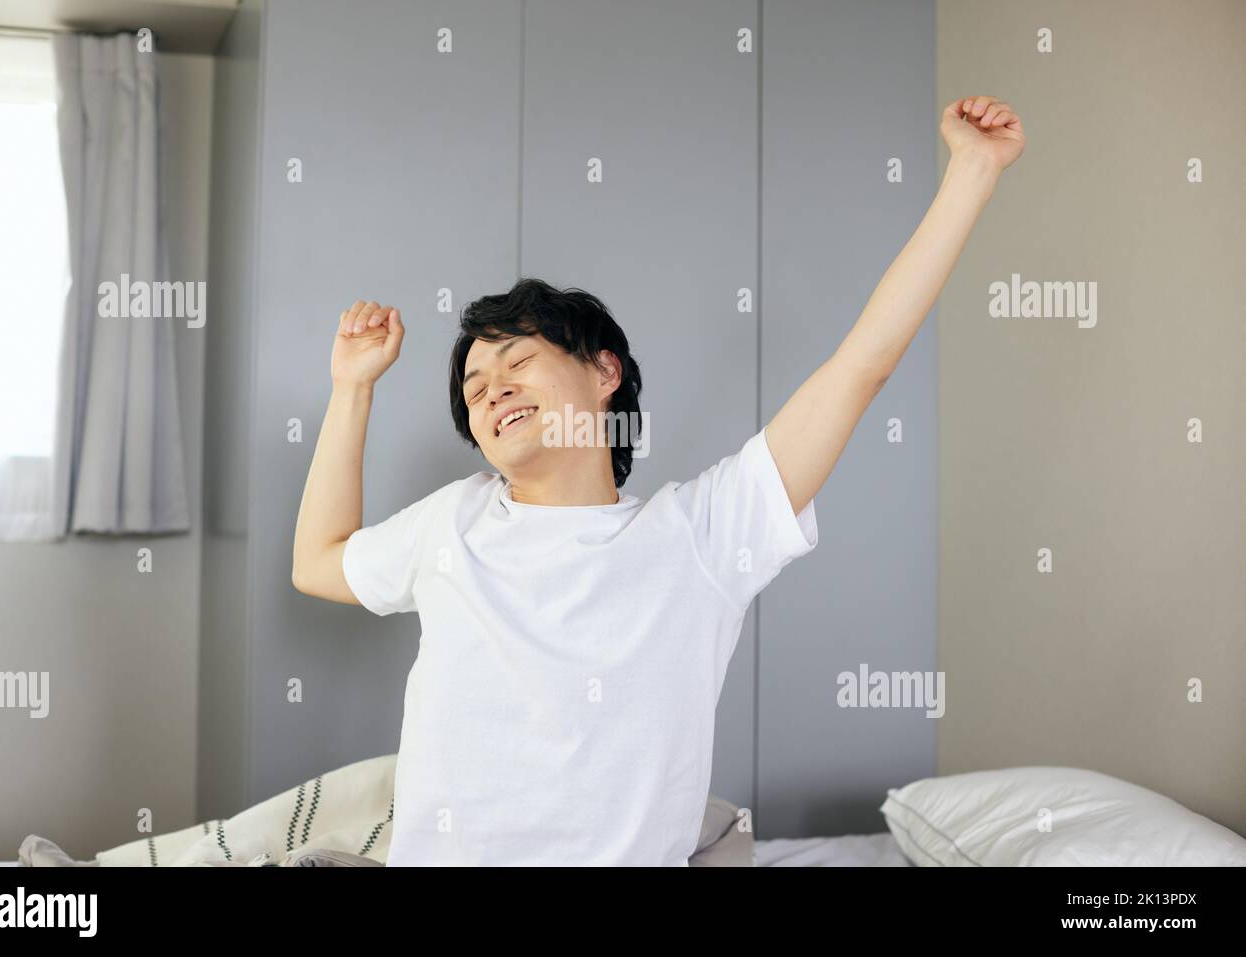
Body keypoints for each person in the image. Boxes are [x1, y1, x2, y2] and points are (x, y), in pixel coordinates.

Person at [291, 95, 1026, 866]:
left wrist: (972, 172)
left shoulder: (700, 536)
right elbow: (317, 560)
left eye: (517, 361)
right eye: (474, 389)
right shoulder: (452, 524)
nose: (492, 389)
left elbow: (860, 368)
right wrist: (352, 388)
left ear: (604, 370)